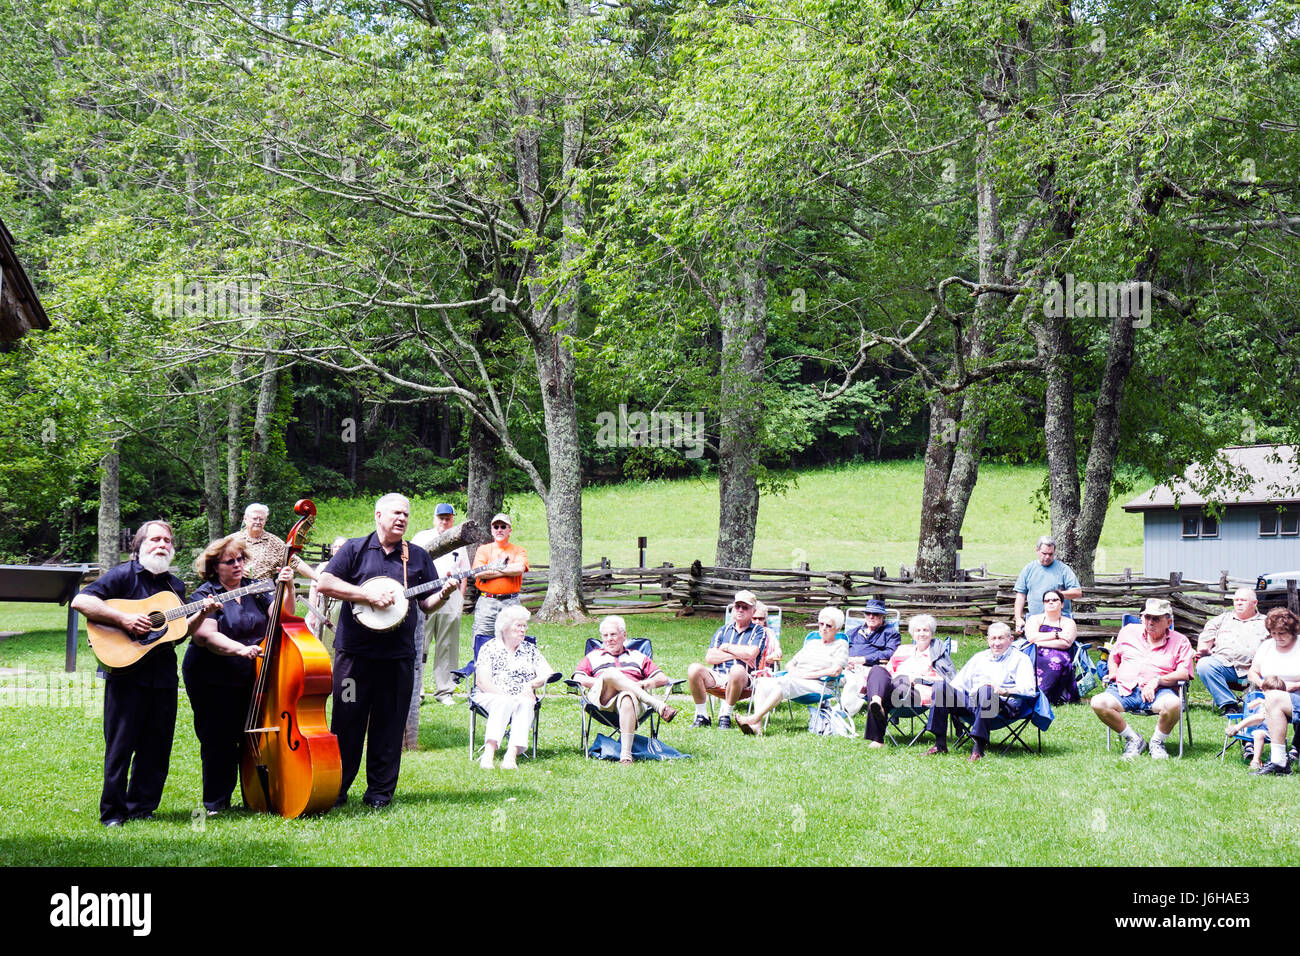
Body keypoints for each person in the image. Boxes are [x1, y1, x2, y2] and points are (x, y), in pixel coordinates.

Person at [316, 493, 457, 808]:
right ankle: (336, 790)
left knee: (390, 724)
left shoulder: (417, 557)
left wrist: (445, 594)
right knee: (347, 722)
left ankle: (379, 794)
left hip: (397, 658)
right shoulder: (355, 549)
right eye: (396, 513)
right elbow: (325, 582)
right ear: (379, 514)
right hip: (354, 657)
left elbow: (427, 604)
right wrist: (366, 597)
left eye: (406, 515)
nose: (402, 519)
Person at [71, 521, 206, 826]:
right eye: (155, 539)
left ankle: (142, 807)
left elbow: (177, 634)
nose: (161, 545)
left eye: (167, 541)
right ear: (140, 544)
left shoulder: (175, 586)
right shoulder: (122, 574)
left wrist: (203, 614)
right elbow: (81, 600)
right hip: (126, 676)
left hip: (163, 677)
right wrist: (123, 619)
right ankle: (113, 813)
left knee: (157, 747)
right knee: (120, 746)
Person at [184, 536, 294, 814]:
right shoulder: (205, 595)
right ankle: (215, 803)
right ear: (214, 567)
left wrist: (288, 586)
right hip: (212, 675)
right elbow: (207, 637)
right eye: (230, 561)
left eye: (241, 560)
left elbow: (283, 615)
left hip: (252, 672)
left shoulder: (255, 589)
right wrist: (241, 649)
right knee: (218, 738)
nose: (237, 565)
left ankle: (253, 796)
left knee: (249, 735)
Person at [1090, 598, 1194, 760]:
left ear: (1169, 621)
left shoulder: (1180, 641)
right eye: (1147, 617)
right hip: (1124, 689)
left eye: (1156, 618)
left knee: (1174, 704)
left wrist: (1157, 681)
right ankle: (1133, 739)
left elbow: (1184, 673)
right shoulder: (1128, 631)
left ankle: (1157, 742)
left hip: (1161, 691)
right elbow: (1113, 656)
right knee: (1098, 702)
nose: (1150, 622)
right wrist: (1113, 672)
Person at [571, 615, 679, 764]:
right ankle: (658, 705)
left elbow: (662, 679)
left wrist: (641, 685)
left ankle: (626, 756)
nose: (609, 639)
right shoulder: (593, 656)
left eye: (613, 634)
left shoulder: (638, 657)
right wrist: (605, 681)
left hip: (634, 701)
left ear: (624, 635)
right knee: (610, 673)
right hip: (603, 701)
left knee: (627, 696)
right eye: (605, 636)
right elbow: (577, 678)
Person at [923, 622, 1036, 761]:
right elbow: (958, 684)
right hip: (973, 703)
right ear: (987, 639)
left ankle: (979, 749)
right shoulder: (979, 658)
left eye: (1001, 638)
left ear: (1011, 639)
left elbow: (1029, 689)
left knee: (986, 689)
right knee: (941, 687)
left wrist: (1003, 690)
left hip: (1003, 705)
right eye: (993, 638)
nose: (996, 643)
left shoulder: (1021, 659)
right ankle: (940, 744)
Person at [735, 606, 849, 736]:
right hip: (797, 680)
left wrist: (806, 675)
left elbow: (835, 671)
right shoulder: (812, 643)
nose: (823, 628)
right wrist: (794, 671)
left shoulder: (840, 645)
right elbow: (790, 663)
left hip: (821, 685)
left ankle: (753, 718)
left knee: (784, 683)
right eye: (821, 624)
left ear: (837, 629)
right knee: (761, 682)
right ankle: (757, 727)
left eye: (828, 626)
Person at [471, 605, 554, 770]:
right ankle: (489, 754)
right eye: (519, 625)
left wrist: (531, 684)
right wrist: (507, 697)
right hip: (491, 695)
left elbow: (548, 673)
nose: (523, 630)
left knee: (526, 703)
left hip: (521, 696)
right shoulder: (490, 648)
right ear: (505, 627)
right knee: (503, 702)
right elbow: (482, 682)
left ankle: (511, 755)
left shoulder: (529, 649)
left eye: (525, 626)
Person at [859, 613, 956, 748]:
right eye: (918, 630)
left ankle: (877, 737)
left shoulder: (937, 654)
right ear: (912, 634)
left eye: (925, 630)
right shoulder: (903, 649)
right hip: (893, 688)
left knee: (895, 683)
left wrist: (917, 679)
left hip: (915, 692)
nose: (921, 634)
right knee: (876, 670)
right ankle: (877, 702)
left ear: (932, 634)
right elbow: (888, 670)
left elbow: (944, 680)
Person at [411, 503, 470, 706]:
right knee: (421, 643)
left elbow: (464, 574)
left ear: (453, 519)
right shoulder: (421, 538)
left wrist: (460, 599)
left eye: (448, 518)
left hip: (451, 595)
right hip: (427, 593)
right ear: (434, 518)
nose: (444, 522)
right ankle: (416, 691)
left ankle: (445, 691)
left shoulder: (458, 541)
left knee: (447, 644)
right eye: (441, 518)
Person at [686, 589, 769, 729]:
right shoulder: (723, 630)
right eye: (737, 606)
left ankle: (725, 715)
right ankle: (702, 716)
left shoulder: (758, 631)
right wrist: (738, 654)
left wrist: (726, 647)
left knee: (736, 670)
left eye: (745, 607)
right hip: (718, 675)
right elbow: (710, 657)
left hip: (744, 678)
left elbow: (751, 654)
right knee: (694, 668)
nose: (740, 610)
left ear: (753, 611)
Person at [1245, 608, 1300, 776]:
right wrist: (1261, 682)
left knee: (1274, 698)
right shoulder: (1267, 646)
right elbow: (1252, 672)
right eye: (1274, 633)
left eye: (1282, 633)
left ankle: (1280, 760)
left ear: (1292, 630)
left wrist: (1292, 686)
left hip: (1296, 693)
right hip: (1269, 692)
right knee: (1265, 699)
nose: (1277, 637)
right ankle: (1260, 749)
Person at [1195, 587, 1267, 714]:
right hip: (1226, 673)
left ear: (1254, 603)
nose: (1238, 603)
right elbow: (1206, 637)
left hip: (1250, 677)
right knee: (1204, 665)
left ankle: (1260, 704)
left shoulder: (1266, 622)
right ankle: (1230, 705)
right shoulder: (1222, 619)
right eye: (1236, 600)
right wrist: (1203, 650)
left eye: (1243, 600)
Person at [471, 512, 528, 642]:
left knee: (513, 640)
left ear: (510, 530)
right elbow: (478, 572)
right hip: (487, 602)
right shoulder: (483, 550)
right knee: (482, 639)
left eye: (503, 526)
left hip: (511, 602)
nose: (499, 530)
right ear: (492, 531)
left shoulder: (519, 550)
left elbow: (519, 569)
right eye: (496, 527)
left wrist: (492, 569)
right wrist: (506, 570)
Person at [231, 503, 320, 584]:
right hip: (236, 590)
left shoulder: (274, 542)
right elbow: (218, 565)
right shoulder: (232, 540)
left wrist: (317, 578)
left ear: (265, 521)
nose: (258, 522)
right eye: (254, 518)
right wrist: (235, 571)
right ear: (245, 519)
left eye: (261, 519)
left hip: (263, 595)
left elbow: (295, 562)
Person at [841, 598, 901, 717]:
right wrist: (844, 661)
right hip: (847, 667)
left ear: (882, 616)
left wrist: (864, 659)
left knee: (855, 681)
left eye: (875, 614)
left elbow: (890, 653)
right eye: (868, 613)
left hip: (870, 669)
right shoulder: (853, 632)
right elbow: (840, 649)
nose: (871, 617)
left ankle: (843, 712)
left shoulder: (891, 633)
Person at [1020, 588, 1079, 705]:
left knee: (1056, 662)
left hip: (1060, 653)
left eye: (1054, 600)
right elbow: (1031, 637)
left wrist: (1040, 641)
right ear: (1043, 603)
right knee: (1036, 661)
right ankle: (1030, 695)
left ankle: (1044, 698)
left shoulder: (1068, 622)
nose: (1050, 602)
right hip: (1034, 652)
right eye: (1047, 600)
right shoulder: (1034, 619)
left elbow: (1066, 643)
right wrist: (1057, 634)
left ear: (1062, 604)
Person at [1013, 536, 1082, 634]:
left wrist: (1058, 595)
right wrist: (1018, 618)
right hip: (1035, 621)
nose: (1047, 557)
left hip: (1059, 622)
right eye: (1044, 553)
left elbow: (1077, 592)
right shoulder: (1028, 569)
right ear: (1037, 550)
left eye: (1051, 554)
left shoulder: (1063, 569)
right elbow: (1020, 595)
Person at [1225, 677, 1286, 770]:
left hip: (1271, 732)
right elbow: (1249, 706)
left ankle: (1256, 760)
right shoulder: (1259, 700)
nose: (1273, 695)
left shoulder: (1281, 705)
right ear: (1263, 691)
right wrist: (1259, 702)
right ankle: (1255, 760)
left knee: (1261, 720)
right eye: (1270, 692)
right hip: (1252, 729)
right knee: (1259, 724)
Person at [305, 536, 349, 651]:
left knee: (338, 641)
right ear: (332, 550)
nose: (338, 549)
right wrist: (312, 613)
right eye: (336, 546)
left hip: (342, 608)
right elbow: (314, 590)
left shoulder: (351, 567)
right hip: (323, 607)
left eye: (342, 546)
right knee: (321, 639)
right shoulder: (323, 567)